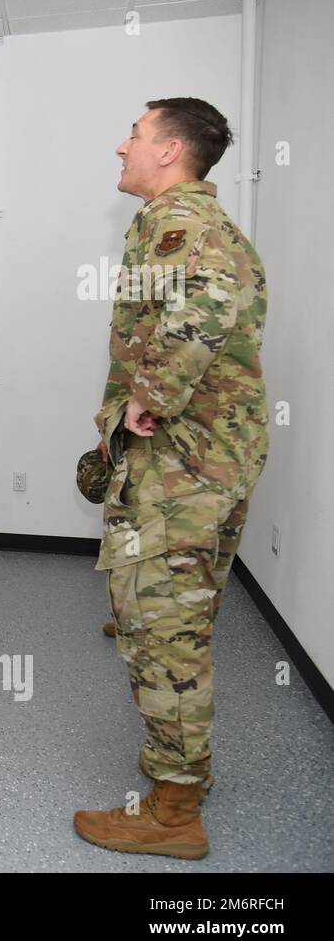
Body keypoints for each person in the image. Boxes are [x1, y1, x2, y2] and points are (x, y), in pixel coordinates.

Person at [73, 98, 268, 860]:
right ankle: (181, 775)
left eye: (137, 132)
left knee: (163, 633)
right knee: (176, 628)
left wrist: (151, 396)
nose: (122, 143)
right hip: (206, 460)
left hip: (183, 468)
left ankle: (175, 812)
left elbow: (206, 301)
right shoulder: (182, 223)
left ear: (170, 150)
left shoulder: (184, 224)